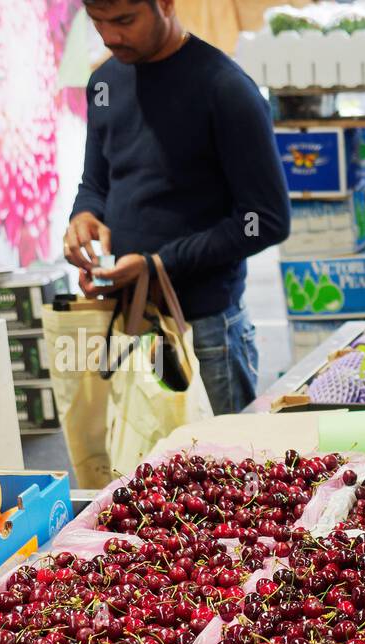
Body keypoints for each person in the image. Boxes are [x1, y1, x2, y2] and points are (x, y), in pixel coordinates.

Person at [64, 0, 290, 414]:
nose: (110, 36)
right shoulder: (103, 82)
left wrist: (158, 264)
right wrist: (84, 216)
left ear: (166, 4)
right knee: (141, 465)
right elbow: (97, 182)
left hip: (207, 331)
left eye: (124, 21)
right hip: (131, 321)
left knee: (228, 467)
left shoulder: (226, 88)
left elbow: (265, 221)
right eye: (98, 22)